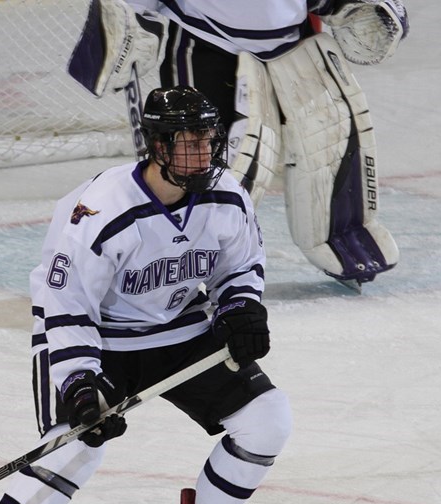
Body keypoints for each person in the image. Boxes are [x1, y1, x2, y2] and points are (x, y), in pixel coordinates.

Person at [0, 86, 293, 504]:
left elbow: (240, 264)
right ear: (157, 145)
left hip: (177, 330)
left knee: (268, 420)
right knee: (72, 451)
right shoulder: (101, 210)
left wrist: (241, 307)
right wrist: (80, 382)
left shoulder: (226, 195)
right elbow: (66, 303)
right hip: (97, 341)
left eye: (208, 140)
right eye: (188, 142)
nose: (203, 152)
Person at [70, 0, 410, 288]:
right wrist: (123, 17)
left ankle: (341, 233)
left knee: (330, 140)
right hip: (206, 43)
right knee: (206, 164)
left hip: (298, 43)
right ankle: (180, 258)